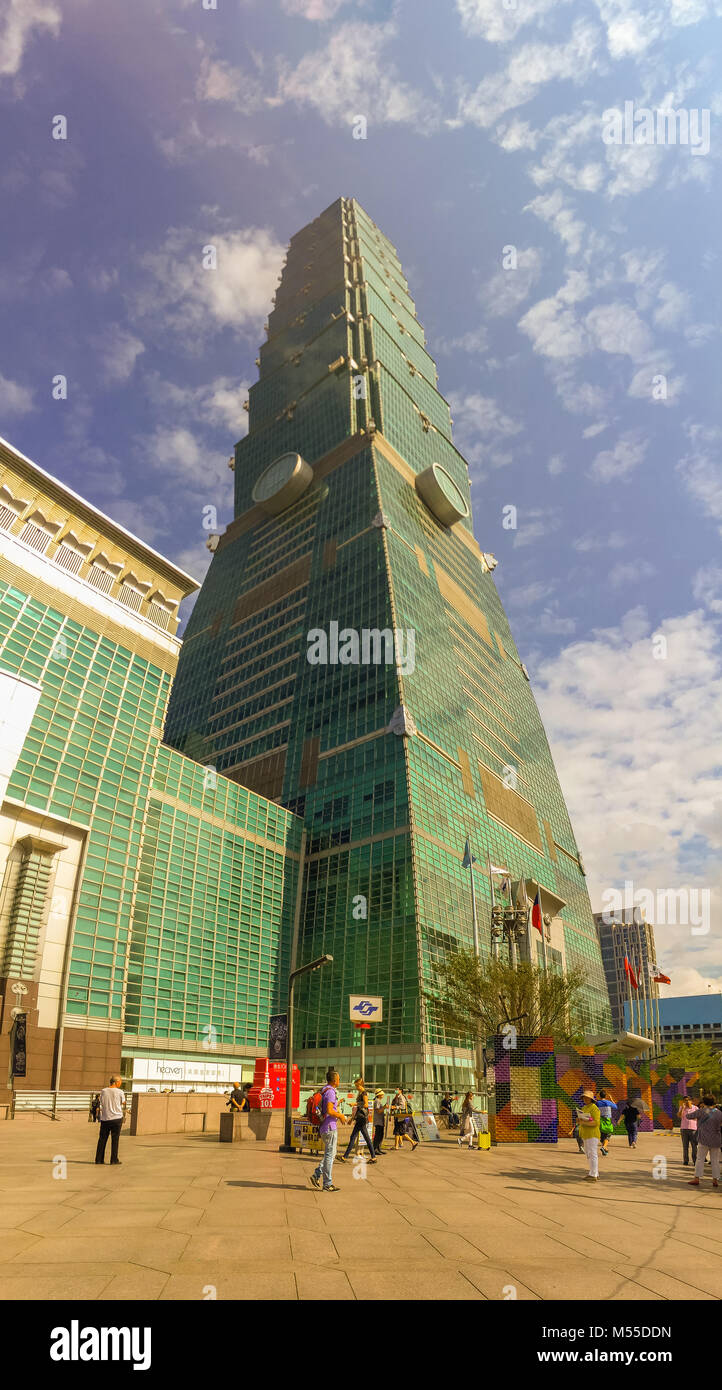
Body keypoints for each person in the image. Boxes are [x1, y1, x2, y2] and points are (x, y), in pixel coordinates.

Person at [309, 1068, 349, 1192]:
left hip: (325, 1127)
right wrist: (341, 1116)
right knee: (329, 1155)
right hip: (329, 1127)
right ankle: (327, 1183)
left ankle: (317, 1174)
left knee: (331, 1154)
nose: (339, 1080)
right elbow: (330, 1110)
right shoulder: (331, 1092)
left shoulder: (325, 1089)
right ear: (335, 1080)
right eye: (338, 1078)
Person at [338, 1078, 378, 1164]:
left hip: (362, 1119)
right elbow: (360, 1108)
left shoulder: (364, 1093)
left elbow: (366, 1104)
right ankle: (373, 1157)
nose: (356, 1087)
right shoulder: (361, 1093)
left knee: (354, 1137)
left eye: (357, 1086)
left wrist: (355, 1104)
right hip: (360, 1118)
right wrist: (352, 1118)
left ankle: (345, 1157)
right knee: (364, 1138)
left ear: (361, 1085)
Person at [688, 1096, 721, 1188]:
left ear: (704, 1102)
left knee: (700, 1159)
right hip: (716, 1139)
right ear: (714, 1103)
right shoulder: (719, 1113)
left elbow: (688, 1116)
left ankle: (697, 1178)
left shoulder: (701, 1111)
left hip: (703, 1139)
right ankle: (715, 1180)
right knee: (715, 1160)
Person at [95, 1075, 126, 1166]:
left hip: (105, 1118)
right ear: (116, 1082)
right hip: (116, 1118)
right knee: (115, 1139)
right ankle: (114, 1160)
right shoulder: (120, 1092)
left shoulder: (103, 1091)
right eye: (120, 1082)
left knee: (102, 1139)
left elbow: (102, 1102)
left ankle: (99, 1159)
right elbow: (123, 1102)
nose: (120, 1083)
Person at [577, 1089, 601, 1181]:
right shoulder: (584, 1108)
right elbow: (583, 1120)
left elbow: (596, 1122)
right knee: (588, 1153)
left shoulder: (594, 1108)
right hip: (585, 1134)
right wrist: (580, 1120)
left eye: (587, 1098)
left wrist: (583, 1122)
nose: (585, 1099)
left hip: (592, 1134)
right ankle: (594, 1172)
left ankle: (593, 1174)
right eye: (584, 1098)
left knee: (592, 1153)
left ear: (591, 1099)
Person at [597, 1089, 618, 1157]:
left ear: (599, 1096)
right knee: (608, 1134)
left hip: (600, 1120)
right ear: (605, 1096)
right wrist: (611, 1099)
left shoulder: (597, 1103)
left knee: (602, 1136)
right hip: (607, 1120)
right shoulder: (608, 1102)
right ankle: (603, 1147)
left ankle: (605, 1150)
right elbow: (616, 1107)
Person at [679, 1096, 699, 1167]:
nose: (686, 1102)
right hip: (684, 1129)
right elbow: (679, 1116)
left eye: (688, 1100)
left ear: (691, 1101)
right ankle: (685, 1161)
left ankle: (695, 1160)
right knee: (685, 1146)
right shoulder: (682, 1107)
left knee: (694, 1146)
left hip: (693, 1129)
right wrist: (683, 1108)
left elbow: (698, 1117)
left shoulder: (695, 1108)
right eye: (685, 1100)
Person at [372, 1090, 386, 1154]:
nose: (383, 1095)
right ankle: (375, 1149)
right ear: (379, 1095)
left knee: (380, 1135)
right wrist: (384, 1107)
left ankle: (378, 1148)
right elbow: (378, 1111)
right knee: (378, 1135)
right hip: (378, 1121)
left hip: (380, 1120)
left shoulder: (378, 1101)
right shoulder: (377, 1101)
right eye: (382, 1094)